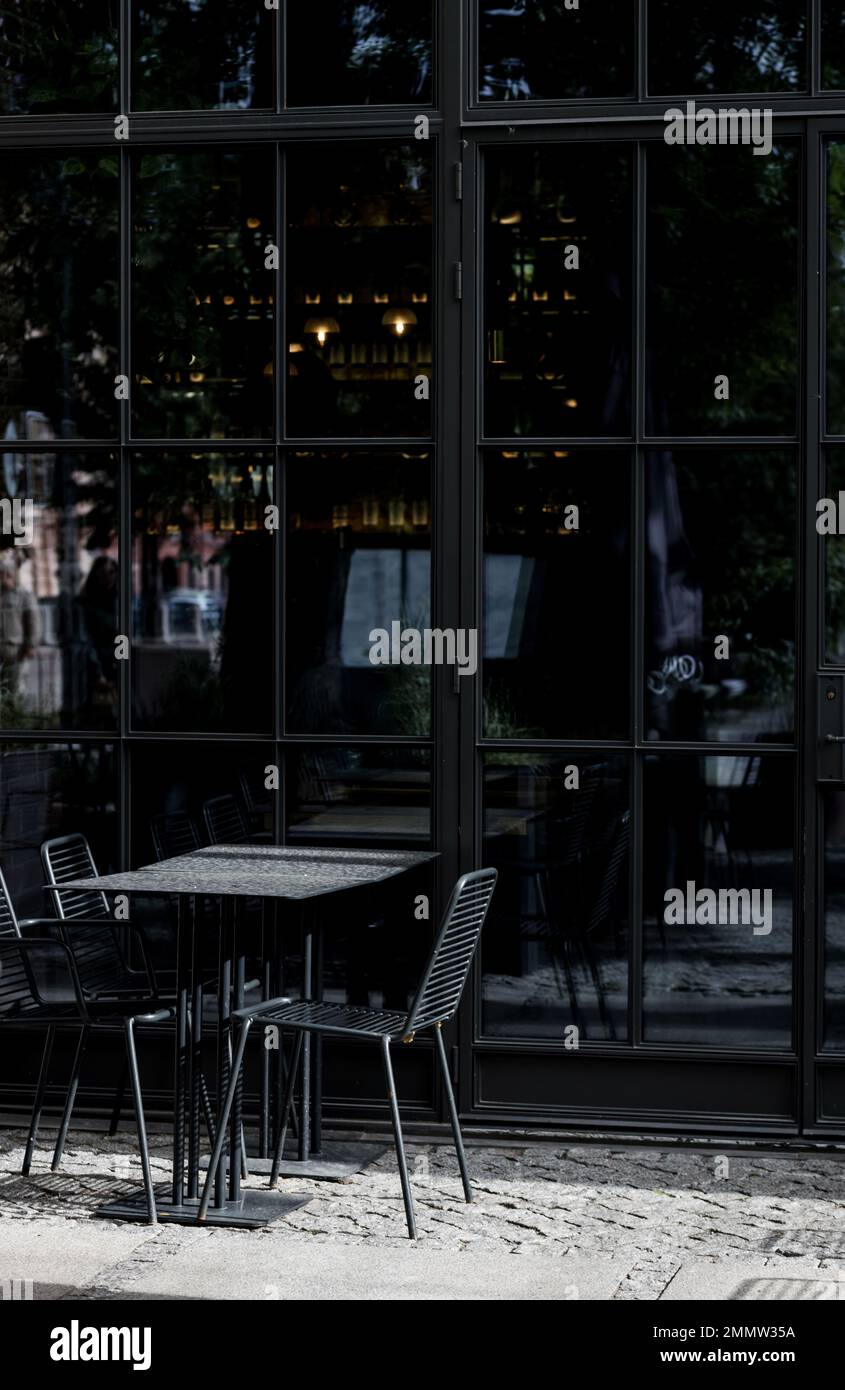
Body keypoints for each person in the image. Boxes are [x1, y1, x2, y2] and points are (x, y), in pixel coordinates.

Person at [0, 550, 41, 700]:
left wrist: (31, 645)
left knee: (14, 690)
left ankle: (15, 719)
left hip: (15, 650)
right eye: (1, 575)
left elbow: (33, 621)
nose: (4, 579)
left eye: (7, 575)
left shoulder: (24, 595)